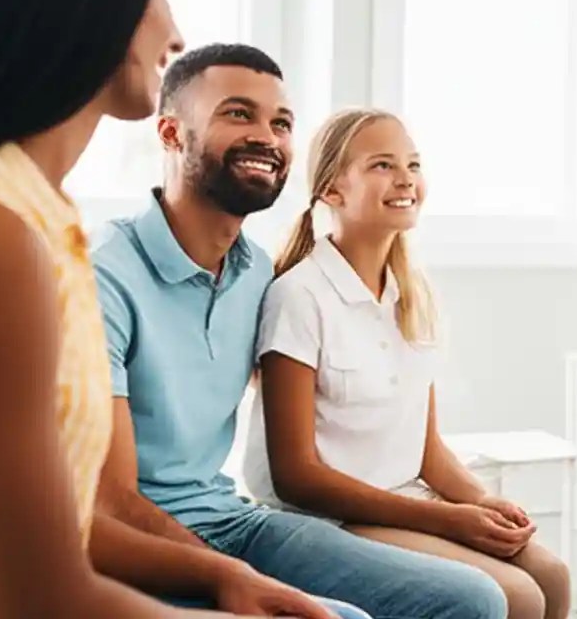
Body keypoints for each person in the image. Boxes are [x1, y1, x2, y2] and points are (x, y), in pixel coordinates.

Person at [91, 43, 508, 619]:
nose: (267, 135)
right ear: (169, 133)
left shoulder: (256, 273)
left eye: (281, 122)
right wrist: (228, 578)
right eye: (238, 113)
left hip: (235, 521)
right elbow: (109, 501)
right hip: (142, 548)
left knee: (474, 598)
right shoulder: (103, 276)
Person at [0, 0, 241, 616]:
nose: (177, 31)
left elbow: (62, 517)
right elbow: (34, 596)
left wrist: (224, 578)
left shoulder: (47, 217)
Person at [242, 108, 573, 619]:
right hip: (331, 519)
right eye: (382, 165)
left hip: (406, 499)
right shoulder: (298, 297)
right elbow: (296, 476)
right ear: (332, 191)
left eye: (413, 165)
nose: (405, 179)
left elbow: (428, 452)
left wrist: (483, 502)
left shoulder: (413, 297)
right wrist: (445, 520)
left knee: (553, 575)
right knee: (520, 596)